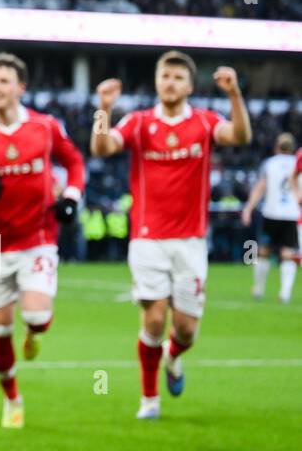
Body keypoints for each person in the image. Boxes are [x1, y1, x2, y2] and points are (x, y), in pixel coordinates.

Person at [90, 51, 251, 419]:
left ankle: (173, 358)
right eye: (165, 76)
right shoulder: (140, 122)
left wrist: (235, 96)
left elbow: (240, 136)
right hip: (147, 238)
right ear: (157, 81)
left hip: (190, 241)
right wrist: (103, 107)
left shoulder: (205, 122)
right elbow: (101, 147)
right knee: (154, 320)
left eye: (178, 77)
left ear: (190, 85)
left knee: (186, 330)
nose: (170, 82)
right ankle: (149, 399)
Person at [0, 53, 83, 429]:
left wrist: (71, 196)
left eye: (3, 81)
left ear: (20, 87)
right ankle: (12, 399)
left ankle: (36, 333)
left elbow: (74, 162)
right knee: (0, 326)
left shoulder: (45, 127)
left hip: (38, 239)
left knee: (36, 316)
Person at [241, 133, 299, 303]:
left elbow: (261, 187)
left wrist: (248, 208)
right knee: (288, 253)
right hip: (291, 213)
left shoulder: (270, 164)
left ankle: (259, 288)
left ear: (276, 146)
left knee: (264, 252)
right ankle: (285, 292)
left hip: (271, 212)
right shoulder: (298, 163)